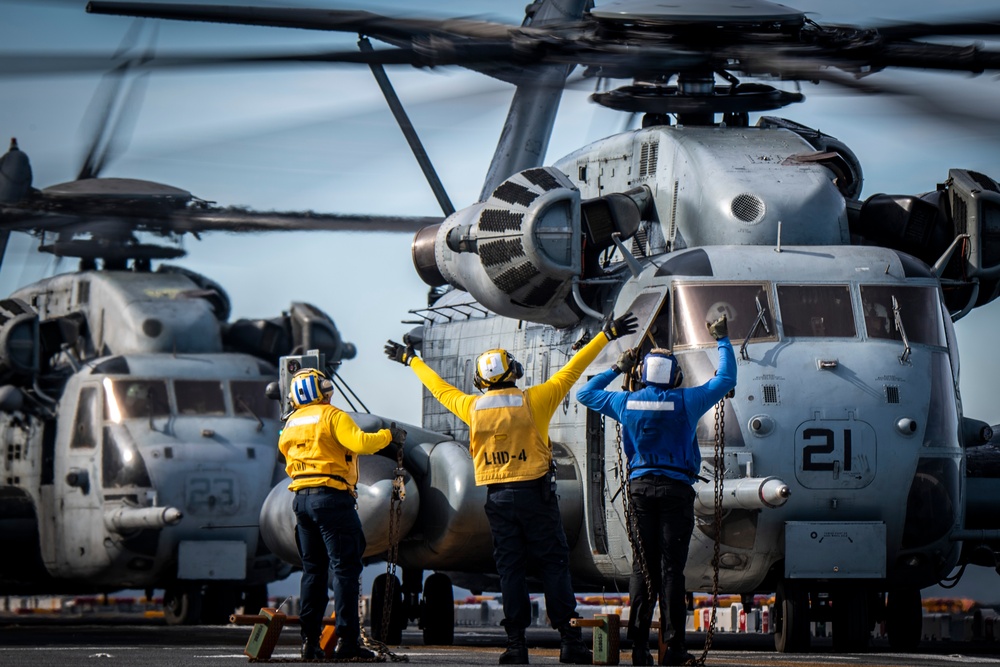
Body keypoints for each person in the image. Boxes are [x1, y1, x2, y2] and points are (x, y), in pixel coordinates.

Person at [384, 312, 638, 665]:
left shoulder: (472, 408)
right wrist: (606, 335)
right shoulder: (535, 400)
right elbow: (573, 369)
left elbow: (439, 388)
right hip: (537, 495)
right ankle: (569, 641)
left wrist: (411, 359)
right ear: (514, 371)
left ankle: (516, 646)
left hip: (498, 500)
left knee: (511, 571)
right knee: (553, 566)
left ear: (481, 381)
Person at [576, 316, 736, 666]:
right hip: (676, 491)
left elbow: (584, 393)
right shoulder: (687, 402)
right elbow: (726, 379)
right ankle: (674, 648)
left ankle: (638, 648)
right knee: (670, 571)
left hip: (640, 492)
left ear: (643, 375)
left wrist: (618, 368)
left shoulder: (626, 403)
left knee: (642, 568)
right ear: (675, 376)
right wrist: (722, 339)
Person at [277, 367, 405, 661]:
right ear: (320, 391)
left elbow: (283, 451)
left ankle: (309, 643)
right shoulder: (332, 415)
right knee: (346, 570)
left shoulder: (292, 423)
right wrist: (389, 436)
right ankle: (348, 642)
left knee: (313, 572)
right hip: (332, 498)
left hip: (301, 502)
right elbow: (361, 443)